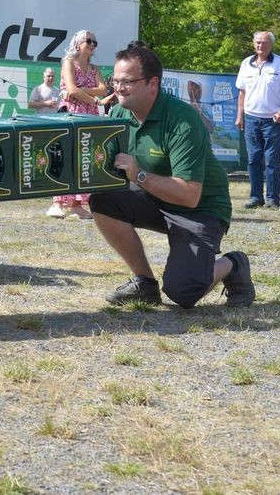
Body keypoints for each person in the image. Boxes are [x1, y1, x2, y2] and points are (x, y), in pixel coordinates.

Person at [90, 45, 253, 308]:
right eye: (115, 80)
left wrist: (139, 175)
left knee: (183, 293)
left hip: (200, 209)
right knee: (103, 199)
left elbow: (189, 195)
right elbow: (105, 167)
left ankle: (233, 264)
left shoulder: (182, 120)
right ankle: (144, 283)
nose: (118, 88)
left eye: (127, 82)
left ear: (152, 83)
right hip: (157, 199)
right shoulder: (119, 113)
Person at [47, 29, 107, 220]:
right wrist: (94, 99)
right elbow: (71, 89)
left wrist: (80, 91)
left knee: (85, 159)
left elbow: (103, 89)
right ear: (78, 43)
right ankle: (57, 202)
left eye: (94, 42)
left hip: (88, 116)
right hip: (71, 114)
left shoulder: (94, 68)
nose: (92, 44)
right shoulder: (69, 63)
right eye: (88, 40)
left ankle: (77, 204)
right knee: (66, 156)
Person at [235, 31, 280, 209]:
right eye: (258, 42)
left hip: (273, 121)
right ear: (254, 44)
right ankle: (255, 197)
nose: (261, 45)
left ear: (271, 45)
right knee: (253, 159)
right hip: (251, 118)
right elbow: (242, 93)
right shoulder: (246, 63)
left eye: (265, 42)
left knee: (272, 160)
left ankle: (272, 199)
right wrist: (239, 116)